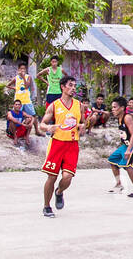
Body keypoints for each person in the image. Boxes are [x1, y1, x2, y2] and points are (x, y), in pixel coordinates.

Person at [39, 75, 88, 216]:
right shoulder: (54, 105)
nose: (73, 88)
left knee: (67, 177)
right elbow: (42, 124)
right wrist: (48, 128)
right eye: (70, 85)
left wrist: (82, 126)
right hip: (57, 144)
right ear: (63, 87)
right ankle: (47, 206)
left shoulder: (79, 105)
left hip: (72, 145)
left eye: (74, 86)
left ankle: (59, 192)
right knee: (51, 177)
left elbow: (83, 122)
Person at [107, 95, 133, 197]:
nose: (113, 109)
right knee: (112, 160)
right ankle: (119, 185)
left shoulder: (127, 117)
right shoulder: (119, 118)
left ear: (122, 108)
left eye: (115, 107)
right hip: (127, 144)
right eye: (112, 107)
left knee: (128, 166)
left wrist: (128, 150)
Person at [6, 63, 36, 132]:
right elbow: (7, 85)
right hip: (18, 100)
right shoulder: (16, 78)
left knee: (32, 115)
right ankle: (15, 131)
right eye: (21, 69)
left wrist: (23, 78)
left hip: (27, 100)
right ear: (19, 69)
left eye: (24, 69)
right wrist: (14, 88)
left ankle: (36, 130)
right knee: (15, 115)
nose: (23, 70)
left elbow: (26, 86)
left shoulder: (28, 77)